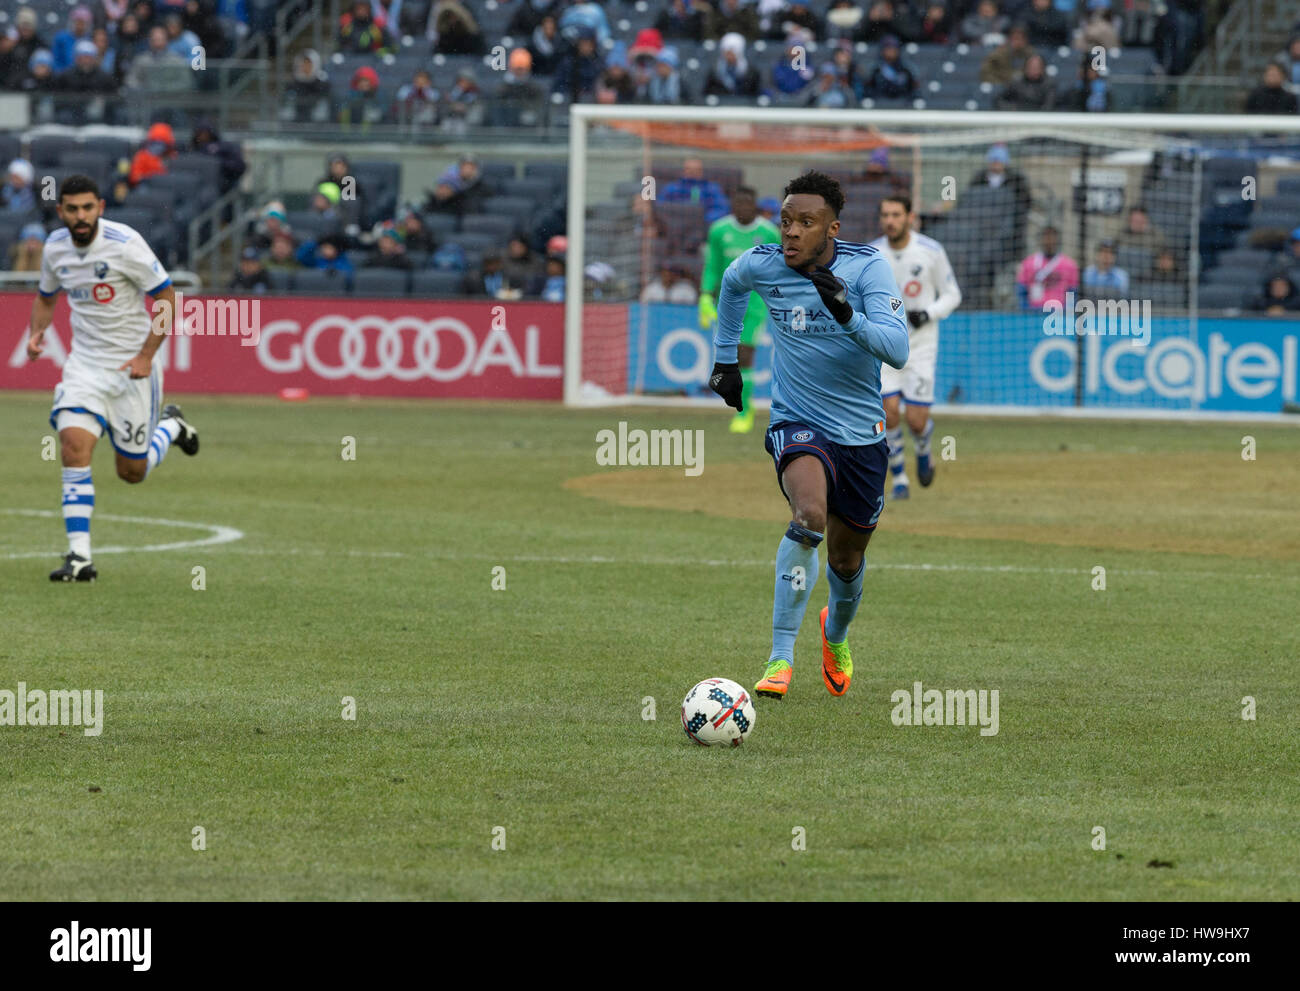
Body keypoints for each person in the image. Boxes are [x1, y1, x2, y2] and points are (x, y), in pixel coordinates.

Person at [707, 170, 908, 700]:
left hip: (862, 435)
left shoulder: (867, 268)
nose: (791, 232)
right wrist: (726, 361)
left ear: (831, 229)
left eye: (805, 223)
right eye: (786, 220)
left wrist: (848, 314)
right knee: (809, 515)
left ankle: (834, 635)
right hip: (797, 420)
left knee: (846, 561)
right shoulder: (763, 263)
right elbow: (730, 287)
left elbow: (898, 349)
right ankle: (778, 656)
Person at [24, 174, 200, 583]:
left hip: (131, 368)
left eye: (88, 208)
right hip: (84, 366)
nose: (81, 216)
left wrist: (145, 355)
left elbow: (167, 298)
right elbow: (46, 299)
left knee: (131, 473)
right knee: (72, 446)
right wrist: (38, 332)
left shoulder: (125, 245)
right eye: (72, 209)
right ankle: (79, 556)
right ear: (61, 211)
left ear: (100, 207)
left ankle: (170, 427)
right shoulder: (55, 248)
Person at [869, 194, 962, 501]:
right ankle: (899, 478)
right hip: (884, 344)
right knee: (889, 412)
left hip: (921, 345)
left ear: (910, 217)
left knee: (916, 420)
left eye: (896, 214)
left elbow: (952, 294)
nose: (890, 221)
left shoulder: (930, 251)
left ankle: (923, 448)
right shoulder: (872, 253)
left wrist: (929, 313)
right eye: (885, 215)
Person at [698, 185, 781, 433]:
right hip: (726, 302)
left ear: (754, 206)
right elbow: (713, 265)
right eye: (738, 203)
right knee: (729, 355)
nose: (743, 207)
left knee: (745, 353)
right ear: (732, 205)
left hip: (754, 302)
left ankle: (744, 410)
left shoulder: (768, 232)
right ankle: (744, 405)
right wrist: (704, 295)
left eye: (748, 203)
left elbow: (779, 265)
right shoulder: (719, 230)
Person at [1016, 225, 1079, 309]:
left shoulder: (1069, 265)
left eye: (1052, 237)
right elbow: (1021, 292)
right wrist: (1026, 310)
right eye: (1046, 237)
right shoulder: (1028, 263)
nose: (1049, 241)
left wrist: (1067, 312)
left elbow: (1072, 293)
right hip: (1032, 314)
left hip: (1059, 314)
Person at [660, 157, 729, 224]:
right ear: (684, 171)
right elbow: (661, 206)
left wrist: (703, 220)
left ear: (701, 171)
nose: (692, 172)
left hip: (702, 226)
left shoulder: (711, 188)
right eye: (689, 169)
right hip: (675, 226)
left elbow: (722, 208)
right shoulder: (672, 188)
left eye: (696, 170)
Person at [704, 32, 760, 98]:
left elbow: (755, 95)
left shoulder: (751, 72)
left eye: (732, 51)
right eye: (726, 51)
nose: (728, 55)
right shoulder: (715, 71)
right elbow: (707, 94)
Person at [127, 121, 177, 187]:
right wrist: (147, 179)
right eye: (154, 142)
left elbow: (176, 177)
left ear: (167, 145)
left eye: (161, 143)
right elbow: (135, 176)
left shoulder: (173, 157)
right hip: (147, 188)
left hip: (167, 189)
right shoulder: (142, 156)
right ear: (150, 142)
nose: (157, 146)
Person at [865, 35, 915, 99]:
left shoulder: (906, 69)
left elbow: (913, 90)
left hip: (903, 105)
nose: (891, 51)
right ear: (882, 50)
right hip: (880, 105)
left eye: (894, 48)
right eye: (888, 48)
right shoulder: (875, 70)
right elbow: (869, 91)